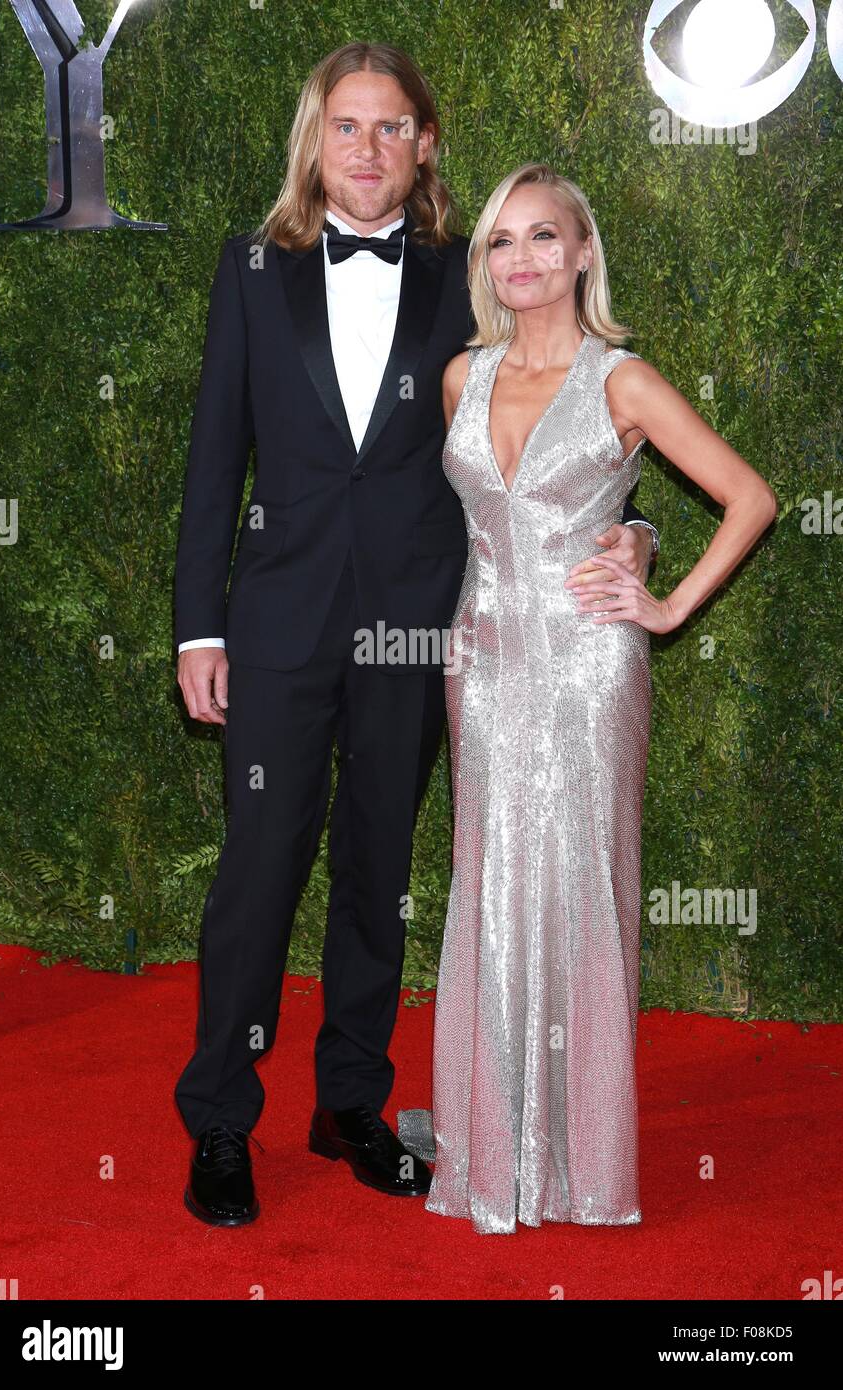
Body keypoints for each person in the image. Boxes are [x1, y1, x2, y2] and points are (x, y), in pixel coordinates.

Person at [172, 45, 658, 1226]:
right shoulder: (252, 268)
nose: (370, 149)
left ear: (425, 143)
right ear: (315, 136)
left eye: (393, 128)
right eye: (348, 126)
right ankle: (221, 1121)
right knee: (258, 872)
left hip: (421, 628)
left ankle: (350, 1105)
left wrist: (632, 530)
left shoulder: (467, 277)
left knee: (379, 872)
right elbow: (211, 454)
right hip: (278, 627)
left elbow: (558, 412)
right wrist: (197, 628)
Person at [398, 164, 777, 1235]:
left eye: (541, 238)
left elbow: (750, 497)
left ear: (579, 253)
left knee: (580, 889)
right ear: (487, 265)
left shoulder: (624, 380)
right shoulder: (460, 378)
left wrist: (663, 602)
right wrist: (643, 529)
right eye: (500, 243)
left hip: (586, 662)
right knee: (488, 880)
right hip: (480, 658)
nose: (520, 260)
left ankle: (574, 1162)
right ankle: (490, 1151)